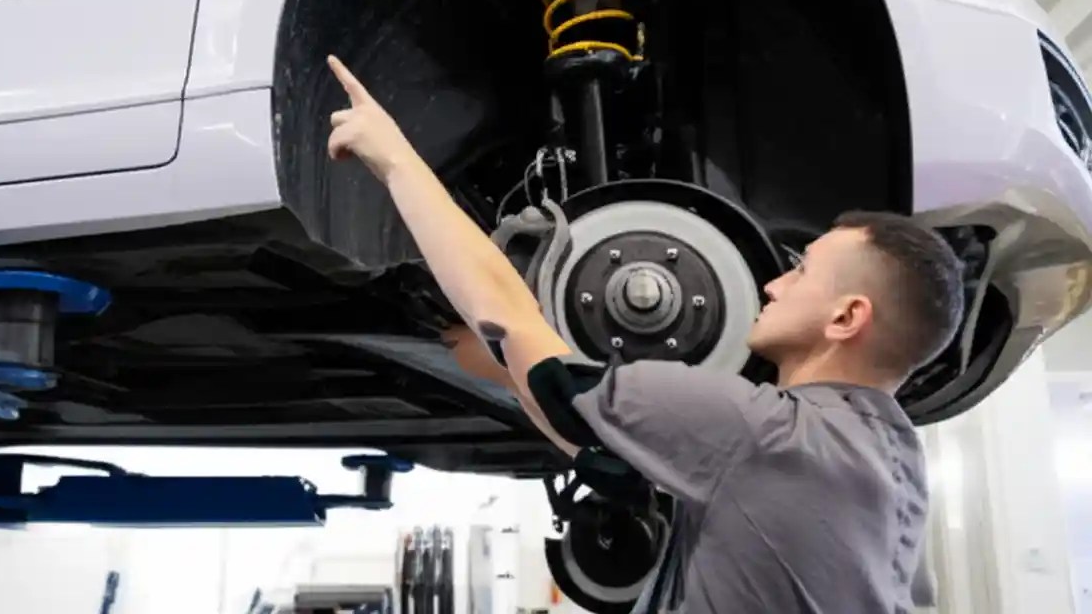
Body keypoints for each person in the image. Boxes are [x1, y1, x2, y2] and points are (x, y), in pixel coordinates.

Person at [324, 55, 964, 613]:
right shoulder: (889, 460)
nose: (773, 285)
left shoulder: (768, 435)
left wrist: (394, 157)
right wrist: (506, 365)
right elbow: (607, 454)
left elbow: (514, 321)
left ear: (846, 318)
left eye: (801, 274)